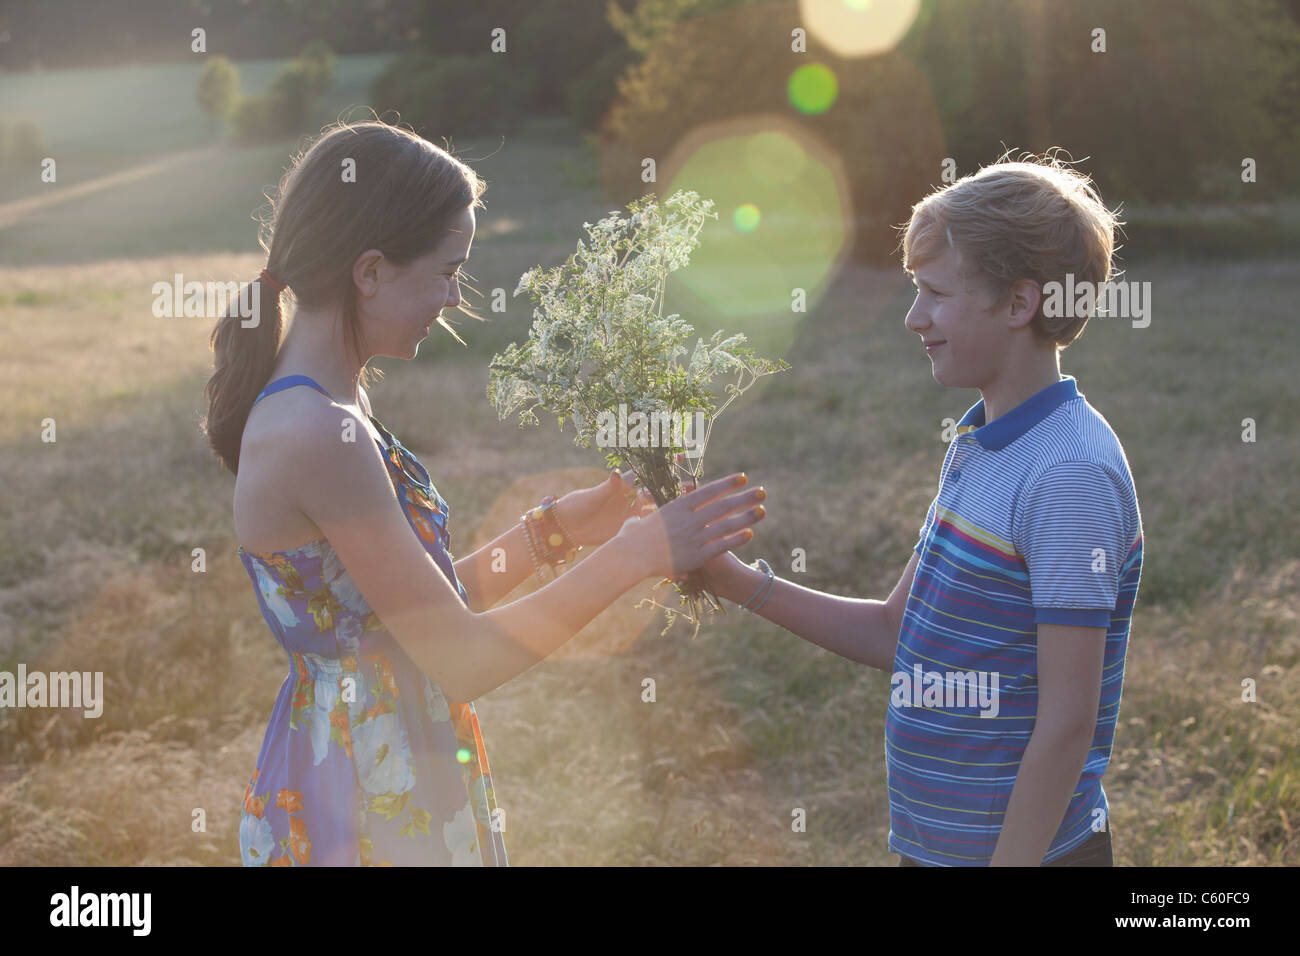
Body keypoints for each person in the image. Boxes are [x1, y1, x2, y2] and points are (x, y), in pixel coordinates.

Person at [201, 119, 766, 867]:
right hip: (362, 797)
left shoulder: (335, 408)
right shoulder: (313, 429)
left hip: (388, 766)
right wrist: (637, 556)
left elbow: (412, 616)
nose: (455, 295)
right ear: (368, 272)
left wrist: (554, 532)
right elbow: (459, 658)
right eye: (446, 270)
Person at [698, 152, 1141, 866]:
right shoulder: (979, 441)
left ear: (1020, 304)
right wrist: (735, 580)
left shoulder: (1067, 475)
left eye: (935, 293)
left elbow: (1066, 724)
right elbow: (891, 632)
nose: (913, 318)